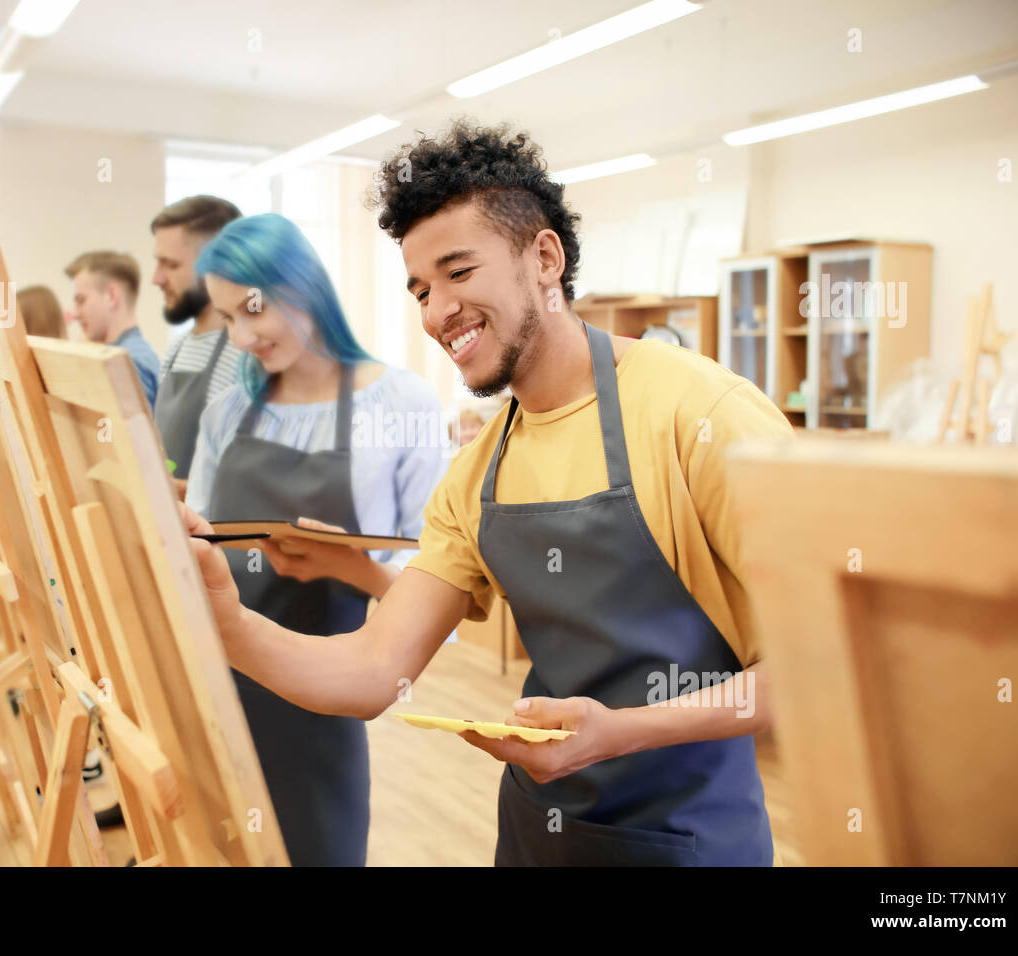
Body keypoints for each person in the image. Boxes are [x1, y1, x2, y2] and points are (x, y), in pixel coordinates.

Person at [181, 122, 795, 866]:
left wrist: (624, 731)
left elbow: (809, 674)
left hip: (689, 840)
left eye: (459, 272)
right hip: (540, 830)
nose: (437, 311)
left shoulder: (697, 412)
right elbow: (375, 669)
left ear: (543, 258)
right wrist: (225, 623)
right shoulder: (476, 475)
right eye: (420, 289)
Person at [185, 212, 443, 866]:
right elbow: (202, 552)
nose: (241, 336)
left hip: (320, 705)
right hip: (214, 692)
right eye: (226, 318)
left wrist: (348, 566)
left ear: (303, 286)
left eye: (253, 309)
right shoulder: (226, 414)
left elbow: (443, 596)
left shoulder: (402, 406)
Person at [150, 196, 246, 494]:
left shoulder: (245, 356)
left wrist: (172, 492)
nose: (156, 278)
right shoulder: (178, 348)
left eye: (171, 265)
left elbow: (247, 491)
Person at [65, 251, 159, 409]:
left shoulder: (128, 364)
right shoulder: (122, 358)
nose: (75, 313)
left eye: (81, 300)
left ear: (111, 296)